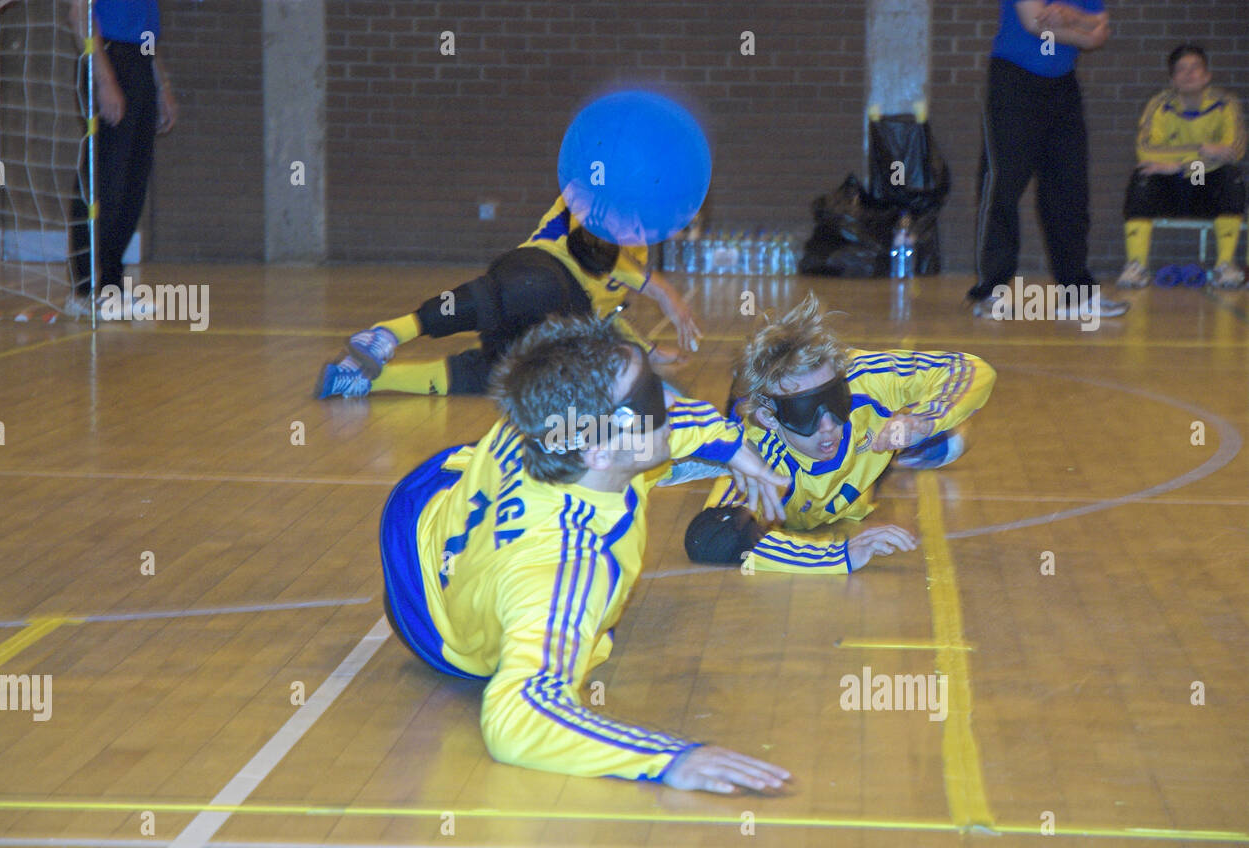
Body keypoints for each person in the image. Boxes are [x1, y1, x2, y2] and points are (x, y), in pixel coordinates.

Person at [378, 312, 793, 793]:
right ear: (596, 452)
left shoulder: (550, 425)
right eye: (651, 400)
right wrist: (668, 759)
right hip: (428, 620)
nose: (671, 403)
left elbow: (655, 425)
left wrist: (730, 444)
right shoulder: (568, 568)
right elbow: (519, 717)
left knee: (640, 449)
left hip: (430, 497)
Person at [676, 294, 995, 574]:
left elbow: (968, 368)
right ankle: (907, 455)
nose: (828, 425)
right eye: (806, 413)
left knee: (927, 434)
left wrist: (926, 420)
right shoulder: (757, 454)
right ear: (770, 419)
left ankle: (908, 447)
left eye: (836, 401)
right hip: (810, 492)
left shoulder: (865, 376)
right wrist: (839, 556)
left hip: (863, 464)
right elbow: (712, 537)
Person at [315, 195, 703, 399]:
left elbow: (602, 316)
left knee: (498, 375)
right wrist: (659, 288)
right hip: (537, 272)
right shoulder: (585, 198)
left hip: (561, 318)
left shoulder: (639, 254)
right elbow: (593, 251)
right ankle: (387, 334)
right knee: (513, 291)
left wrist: (646, 350)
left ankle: (355, 381)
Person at [969, 0, 1128, 321]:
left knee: (1069, 190)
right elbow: (1035, 23)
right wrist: (1084, 27)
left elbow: (1101, 34)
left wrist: (1071, 17)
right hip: (1015, 83)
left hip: (1062, 86)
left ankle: (1076, 294)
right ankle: (990, 290)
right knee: (1004, 184)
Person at [65, 0, 179, 321]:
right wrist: (105, 78)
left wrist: (161, 84)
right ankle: (84, 290)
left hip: (139, 61)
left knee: (133, 181)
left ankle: (111, 286)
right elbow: (79, 12)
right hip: (110, 58)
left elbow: (145, 33)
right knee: (105, 175)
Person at [1118, 44, 1246, 290]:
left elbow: (1234, 150)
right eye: (1181, 70)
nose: (1189, 74)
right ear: (1172, 79)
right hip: (1172, 190)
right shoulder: (1158, 104)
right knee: (1143, 176)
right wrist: (1202, 150)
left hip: (1205, 187)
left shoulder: (1226, 103)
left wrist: (1176, 165)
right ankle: (1136, 266)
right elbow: (1145, 150)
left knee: (1232, 177)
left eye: (1195, 68)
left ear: (1207, 75)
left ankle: (1225, 266)